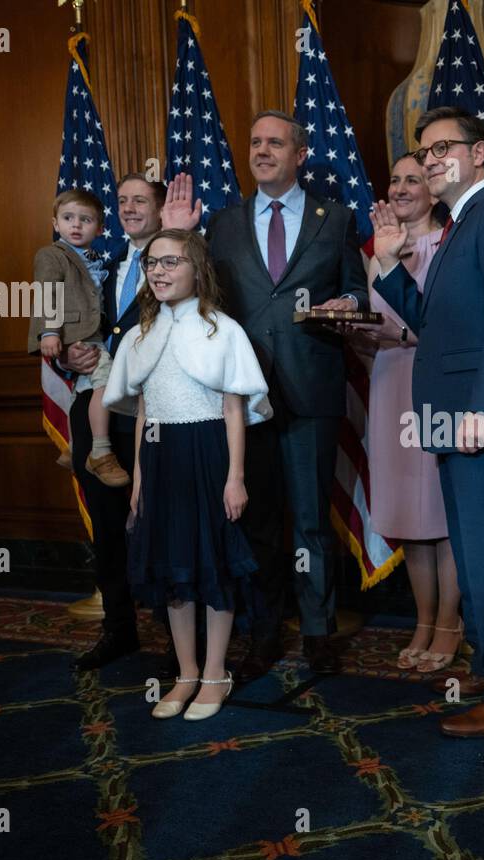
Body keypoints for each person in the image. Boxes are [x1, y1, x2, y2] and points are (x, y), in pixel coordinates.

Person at [161, 110, 368, 678]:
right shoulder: (223, 223)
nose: (262, 151)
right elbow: (191, 296)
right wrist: (177, 235)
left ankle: (319, 633)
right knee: (255, 522)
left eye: (275, 143)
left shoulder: (336, 218)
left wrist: (348, 303)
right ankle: (265, 632)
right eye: (255, 142)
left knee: (310, 521)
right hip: (240, 400)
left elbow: (355, 289)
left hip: (310, 391)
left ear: (300, 155)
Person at [370, 106, 484, 738]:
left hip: (481, 418)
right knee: (473, 557)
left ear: (479, 153)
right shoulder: (457, 226)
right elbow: (433, 323)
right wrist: (390, 267)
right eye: (425, 151)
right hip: (452, 418)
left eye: (444, 147)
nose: (431, 159)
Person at [103, 229, 272, 720]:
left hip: (208, 453)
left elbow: (234, 410)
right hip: (160, 457)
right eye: (152, 263)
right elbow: (144, 412)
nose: (158, 271)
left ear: (197, 270)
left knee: (213, 563)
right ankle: (186, 672)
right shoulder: (140, 335)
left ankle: (216, 673)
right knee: (173, 566)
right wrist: (139, 479)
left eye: (171, 262)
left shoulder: (223, 330)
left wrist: (235, 477)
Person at [347, 154, 463, 672]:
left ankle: (450, 623)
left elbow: (448, 327)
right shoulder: (379, 251)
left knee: (441, 512)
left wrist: (400, 335)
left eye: (412, 179)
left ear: (433, 191)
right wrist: (353, 332)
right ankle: (423, 620)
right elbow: (376, 333)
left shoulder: (449, 245)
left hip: (437, 385)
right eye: (393, 179)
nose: (399, 188)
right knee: (409, 516)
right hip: (390, 383)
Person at [60, 174, 167, 671]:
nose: (129, 208)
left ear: (161, 209)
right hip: (96, 408)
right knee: (106, 524)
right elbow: (66, 323)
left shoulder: (176, 261)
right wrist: (67, 355)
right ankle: (119, 628)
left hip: (155, 410)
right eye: (122, 201)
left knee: (158, 519)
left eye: (140, 200)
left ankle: (176, 634)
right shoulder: (97, 265)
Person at [30, 189, 128, 487]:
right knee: (107, 382)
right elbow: (47, 292)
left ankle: (74, 447)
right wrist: (49, 331)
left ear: (99, 229)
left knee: (82, 389)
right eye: (68, 218)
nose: (76, 225)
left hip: (91, 332)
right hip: (75, 334)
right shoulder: (52, 255)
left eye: (85, 220)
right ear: (55, 223)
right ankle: (100, 451)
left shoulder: (94, 258)